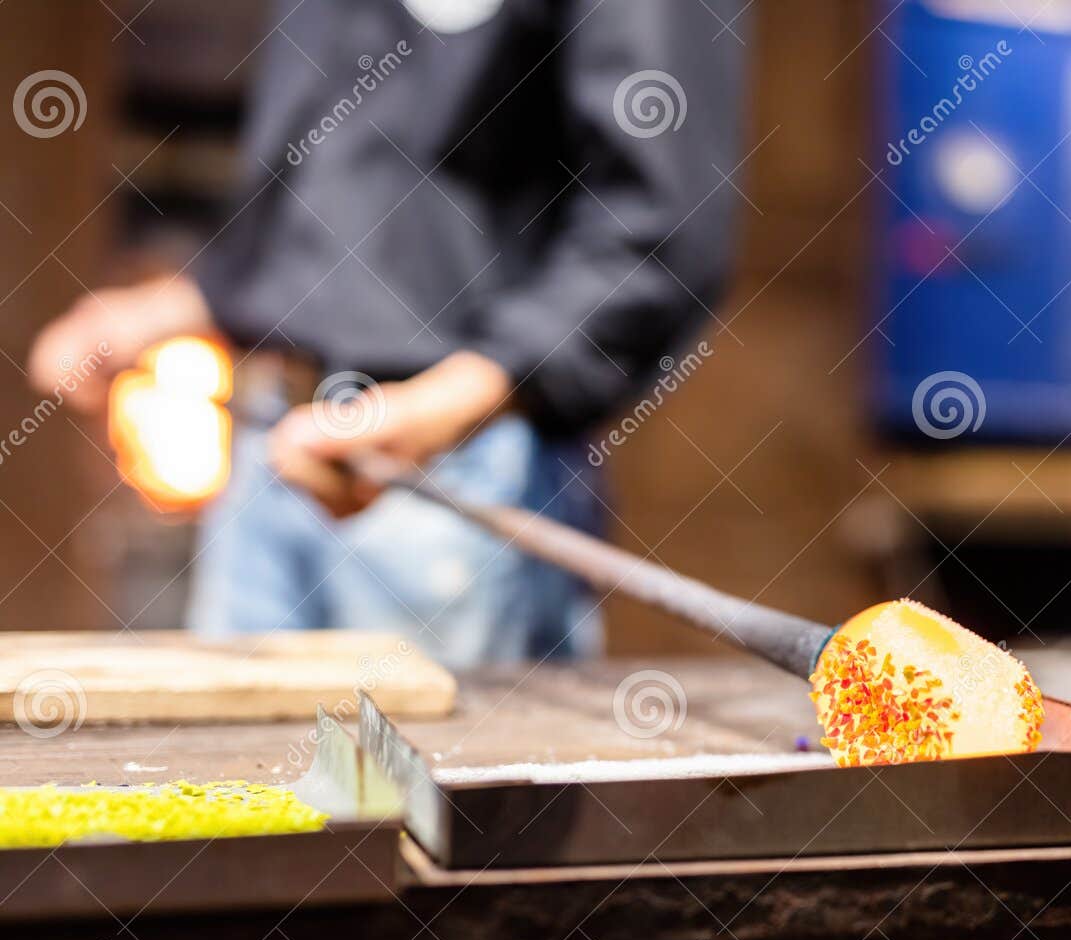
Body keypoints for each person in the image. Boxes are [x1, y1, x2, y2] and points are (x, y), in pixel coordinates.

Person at [26, 0, 744, 667]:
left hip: (455, 475)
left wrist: (454, 401)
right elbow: (339, 182)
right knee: (243, 793)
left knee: (425, 806)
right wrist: (171, 307)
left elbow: (663, 220)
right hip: (273, 445)